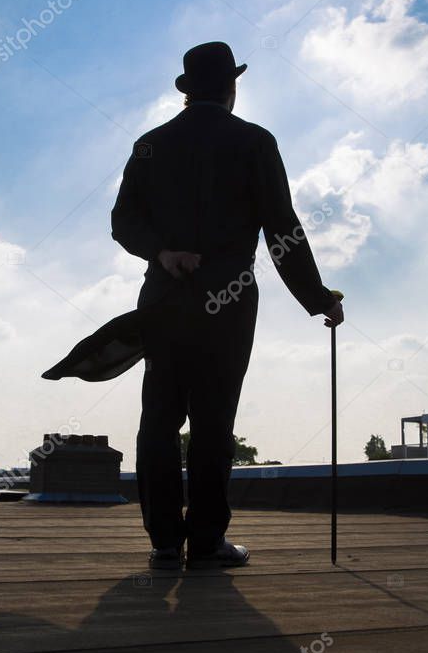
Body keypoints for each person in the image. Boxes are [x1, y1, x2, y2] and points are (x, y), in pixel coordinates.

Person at [111, 41, 343, 569]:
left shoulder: (149, 144)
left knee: (159, 418)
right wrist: (317, 298)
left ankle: (164, 543)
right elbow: (282, 230)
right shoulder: (254, 141)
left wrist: (163, 253)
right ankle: (206, 543)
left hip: (164, 300)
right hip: (228, 303)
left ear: (187, 90)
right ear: (231, 86)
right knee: (214, 422)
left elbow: (122, 222)